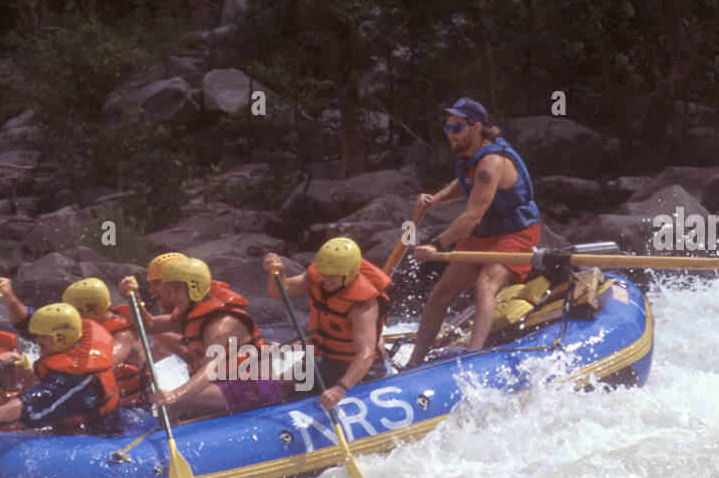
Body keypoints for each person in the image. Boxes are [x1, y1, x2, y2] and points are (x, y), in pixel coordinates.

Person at [406, 97, 541, 366]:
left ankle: (473, 357)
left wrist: (436, 244)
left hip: (517, 233)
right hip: (484, 232)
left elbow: (471, 217)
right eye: (447, 129)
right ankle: (413, 363)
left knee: (485, 285)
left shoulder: (492, 164)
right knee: (440, 295)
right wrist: (436, 199)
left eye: (456, 128)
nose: (450, 134)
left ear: (476, 127)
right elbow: (465, 183)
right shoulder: (474, 159)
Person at [118, 257, 283, 420]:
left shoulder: (222, 323)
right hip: (227, 386)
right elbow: (148, 326)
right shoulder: (191, 314)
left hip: (255, 387)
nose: (173, 297)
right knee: (172, 406)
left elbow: (212, 367)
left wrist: (176, 394)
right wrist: (134, 299)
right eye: (170, 291)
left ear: (194, 288)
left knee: (174, 405)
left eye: (176, 290)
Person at [262, 237, 391, 411]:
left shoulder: (363, 306)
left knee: (307, 390)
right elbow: (281, 291)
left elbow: (365, 354)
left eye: (333, 275)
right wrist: (278, 272)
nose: (326, 278)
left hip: (362, 371)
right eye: (323, 272)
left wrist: (340, 389)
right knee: (276, 385)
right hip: (329, 360)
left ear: (349, 273)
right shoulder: (318, 277)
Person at [0, 303, 124, 435]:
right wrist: (17, 359)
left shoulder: (74, 375)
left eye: (42, 336)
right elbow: (36, 386)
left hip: (96, 436)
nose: (37, 340)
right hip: (70, 428)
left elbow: (32, 401)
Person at [62, 277, 151, 410]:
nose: (70, 319)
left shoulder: (123, 336)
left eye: (75, 312)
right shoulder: (91, 332)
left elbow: (103, 365)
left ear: (94, 309)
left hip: (136, 412)